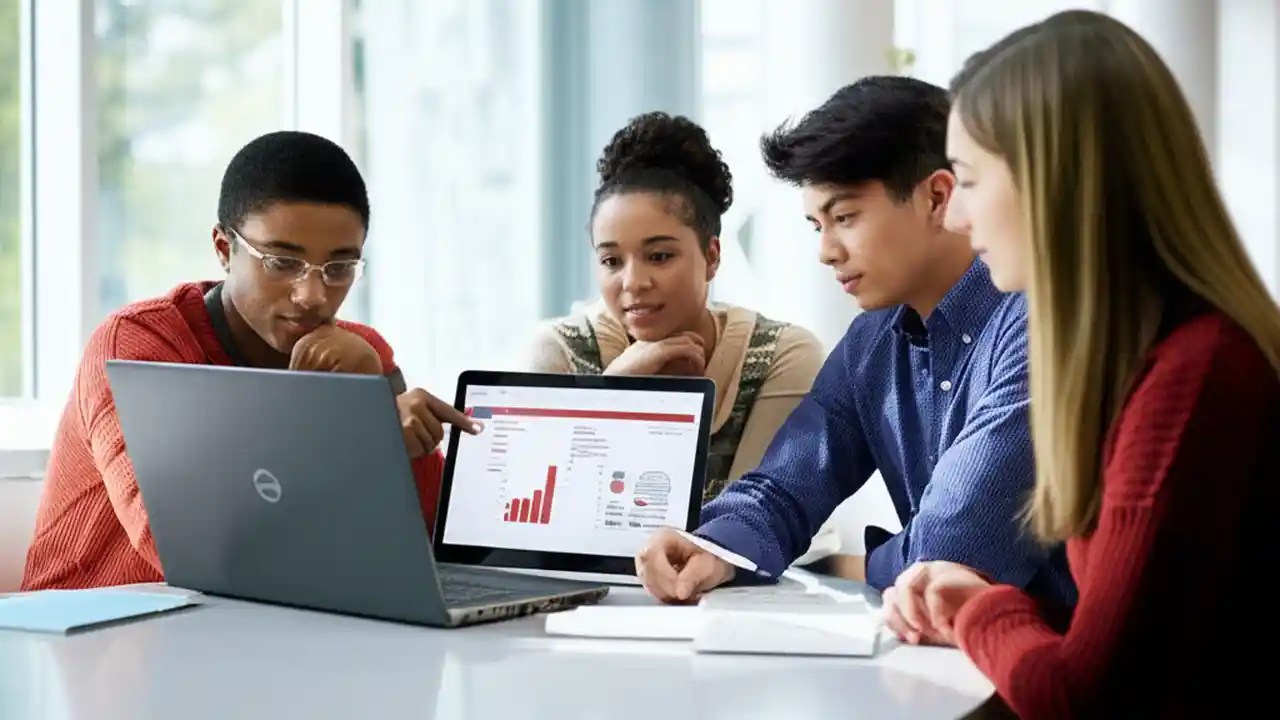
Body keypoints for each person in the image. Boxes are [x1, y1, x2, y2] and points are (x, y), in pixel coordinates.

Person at [899, 10, 1280, 717]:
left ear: (1057, 183)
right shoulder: (1164, 358)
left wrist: (984, 611)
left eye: (970, 180)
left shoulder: (1195, 381)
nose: (954, 218)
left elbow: (1080, 697)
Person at [634, 77, 1074, 611]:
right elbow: (785, 486)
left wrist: (867, 562)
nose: (826, 251)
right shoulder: (873, 339)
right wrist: (712, 546)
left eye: (844, 218)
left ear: (938, 197)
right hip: (941, 660)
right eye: (816, 225)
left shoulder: (1041, 324)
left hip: (1062, 670)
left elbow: (943, 555)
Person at [22, 130, 478, 591]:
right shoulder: (140, 347)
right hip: (92, 633)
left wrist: (384, 419)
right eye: (282, 262)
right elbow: (186, 550)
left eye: (339, 268)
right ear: (224, 249)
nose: (313, 296)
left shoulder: (358, 355)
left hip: (271, 626)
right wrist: (350, 428)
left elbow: (428, 547)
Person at [525, 112, 825, 503]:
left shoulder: (781, 356)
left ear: (712, 255)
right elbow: (540, 514)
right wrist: (612, 391)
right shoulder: (559, 351)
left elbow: (751, 522)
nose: (633, 282)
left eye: (660, 256)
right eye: (611, 261)